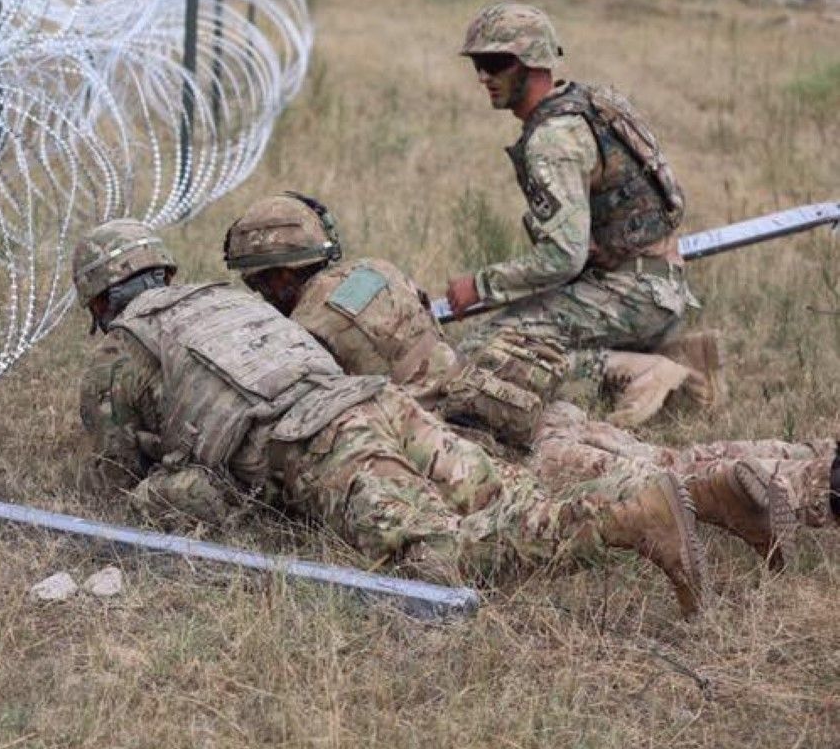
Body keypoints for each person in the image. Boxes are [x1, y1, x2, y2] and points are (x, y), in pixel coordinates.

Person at [73, 217, 707, 613]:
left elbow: (115, 471)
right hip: (382, 402)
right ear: (164, 269)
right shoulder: (226, 299)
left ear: (101, 298)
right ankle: (683, 489)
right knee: (501, 490)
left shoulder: (120, 349)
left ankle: (633, 514)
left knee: (439, 554)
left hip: (317, 441)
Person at [223, 191, 839, 567]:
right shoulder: (373, 271)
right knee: (661, 454)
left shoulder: (308, 331)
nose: (257, 297)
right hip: (515, 402)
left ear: (277, 277)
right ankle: (814, 459)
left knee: (659, 481)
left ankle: (817, 489)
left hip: (477, 443)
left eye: (257, 285)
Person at [443, 2, 716, 426]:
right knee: (527, 332)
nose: (483, 77)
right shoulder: (589, 102)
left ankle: (648, 371)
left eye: (495, 63)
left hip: (633, 293)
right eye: (478, 63)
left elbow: (562, 258)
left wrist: (481, 285)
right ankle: (676, 358)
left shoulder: (553, 139)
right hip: (655, 284)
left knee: (487, 353)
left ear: (532, 63)